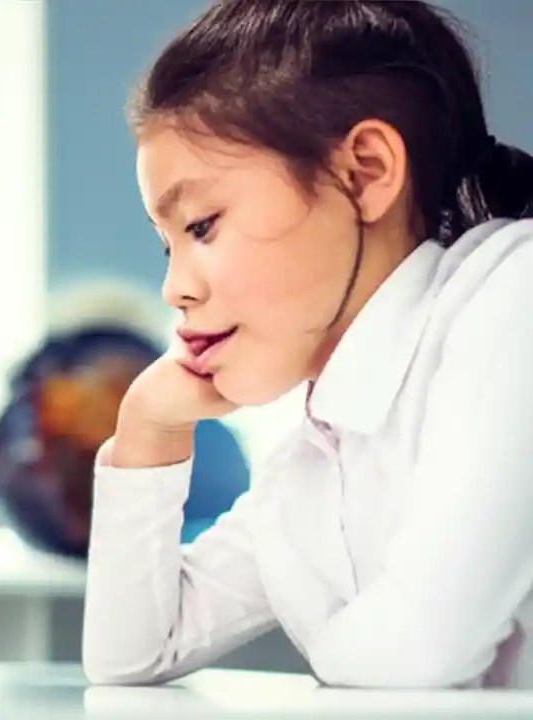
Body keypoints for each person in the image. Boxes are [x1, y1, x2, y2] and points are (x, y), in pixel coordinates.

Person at [84, 0, 533, 689]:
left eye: (202, 226)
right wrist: (149, 428)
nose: (175, 288)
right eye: (168, 246)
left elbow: (418, 651)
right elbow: (131, 658)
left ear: (366, 171)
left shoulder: (511, 297)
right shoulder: (313, 464)